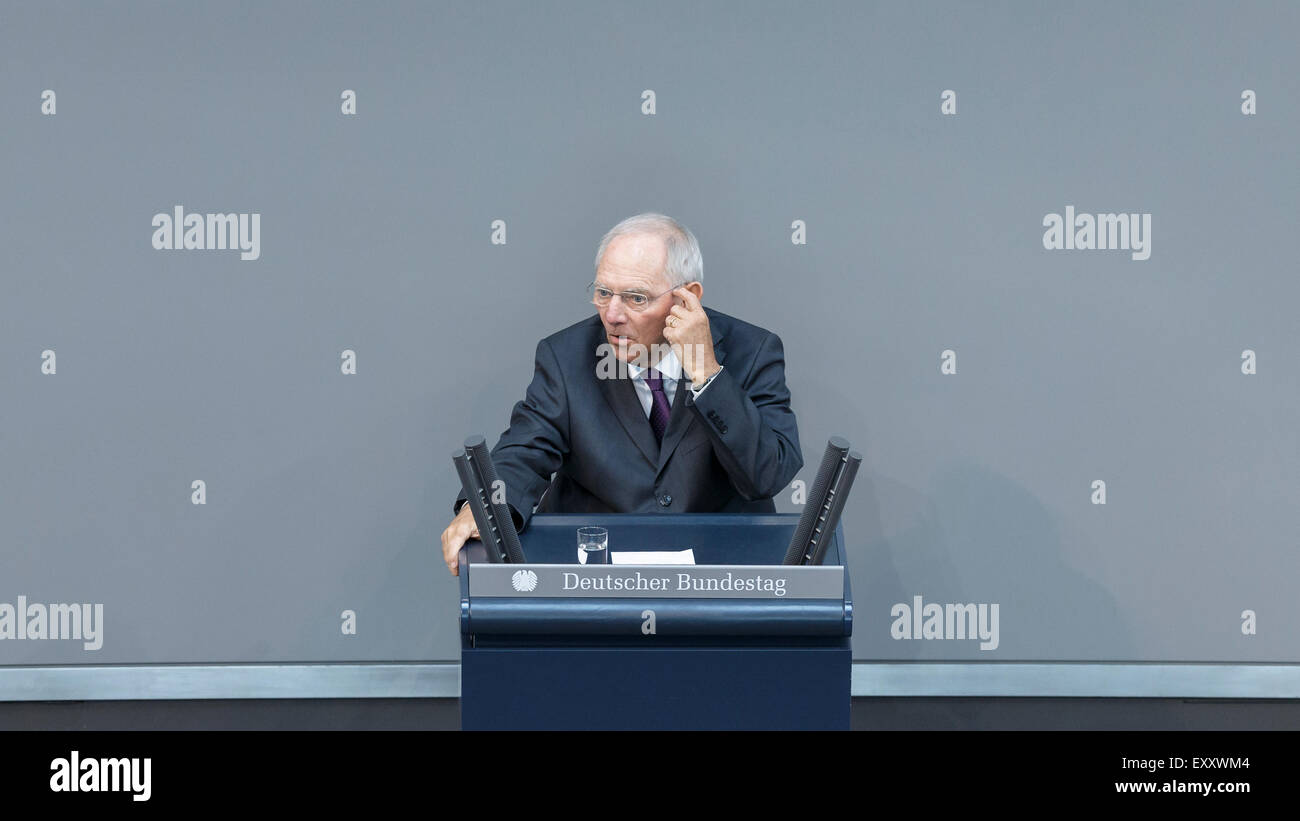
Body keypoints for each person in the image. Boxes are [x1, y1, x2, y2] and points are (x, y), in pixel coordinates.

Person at [440, 213, 802, 575]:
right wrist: (484, 507)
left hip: (717, 574)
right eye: (603, 293)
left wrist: (707, 373)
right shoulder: (566, 358)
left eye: (635, 298)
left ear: (687, 298)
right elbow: (524, 450)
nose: (612, 315)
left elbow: (767, 474)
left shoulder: (752, 351)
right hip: (595, 574)